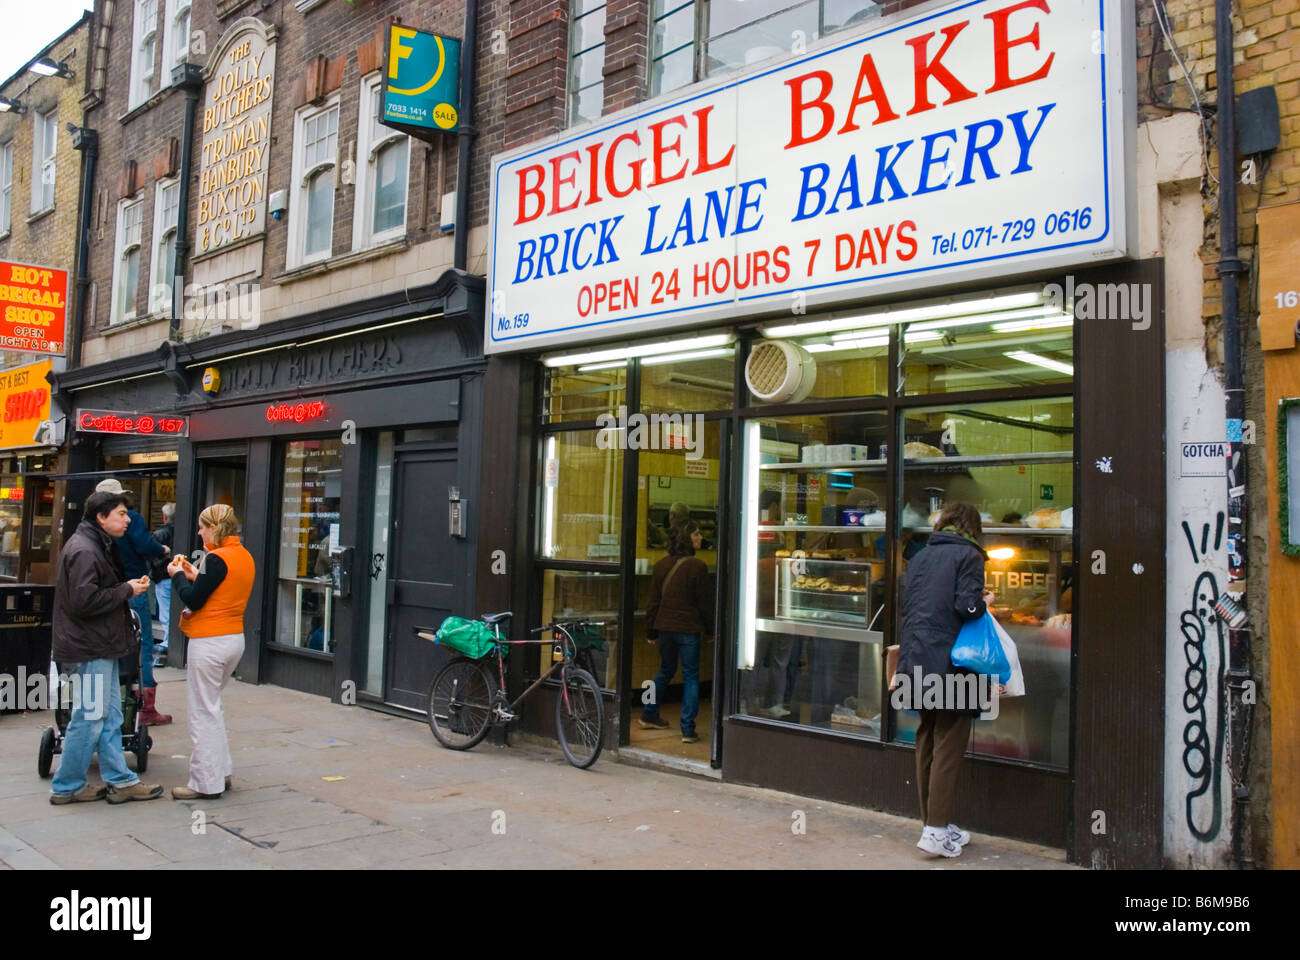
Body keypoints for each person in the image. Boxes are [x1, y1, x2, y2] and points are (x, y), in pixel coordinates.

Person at [893, 501, 996, 858]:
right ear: (972, 529)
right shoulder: (969, 557)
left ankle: (934, 824)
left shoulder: (920, 556)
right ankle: (936, 832)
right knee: (949, 744)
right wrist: (985, 601)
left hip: (916, 657)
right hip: (951, 663)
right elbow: (964, 608)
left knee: (926, 737)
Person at [49, 491, 165, 804]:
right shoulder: (86, 549)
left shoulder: (94, 543)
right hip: (90, 646)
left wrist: (124, 589)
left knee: (111, 716)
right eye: (121, 514)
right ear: (102, 517)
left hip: (100, 643)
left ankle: (120, 780)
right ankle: (67, 785)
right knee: (89, 717)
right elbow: (84, 601)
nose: (128, 520)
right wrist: (126, 589)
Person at [167, 504, 254, 800]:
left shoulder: (216, 558)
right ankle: (222, 771)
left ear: (215, 528)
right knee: (212, 708)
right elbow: (217, 588)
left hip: (210, 641)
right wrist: (195, 574)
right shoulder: (242, 556)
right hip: (233, 639)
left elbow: (194, 599)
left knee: (203, 713)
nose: (200, 532)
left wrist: (178, 575)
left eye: (203, 526)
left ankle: (205, 783)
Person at [94, 478, 171, 726]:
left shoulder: (92, 527)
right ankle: (144, 707)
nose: (125, 519)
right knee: (141, 645)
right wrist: (162, 550)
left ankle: (113, 702)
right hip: (132, 587)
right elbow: (144, 545)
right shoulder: (131, 519)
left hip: (106, 591)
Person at [640, 520, 714, 743]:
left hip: (665, 628)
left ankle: (648, 713)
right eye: (696, 534)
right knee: (691, 676)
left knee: (664, 671)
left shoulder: (660, 565)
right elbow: (705, 605)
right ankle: (687, 729)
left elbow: (653, 602)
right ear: (686, 539)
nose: (700, 537)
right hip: (688, 629)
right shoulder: (698, 567)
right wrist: (711, 631)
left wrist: (651, 631)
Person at [151, 503, 175, 665]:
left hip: (164, 577)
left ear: (165, 517)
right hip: (180, 575)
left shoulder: (159, 534)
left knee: (165, 612)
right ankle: (170, 640)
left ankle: (168, 641)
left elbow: (152, 557)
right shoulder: (187, 531)